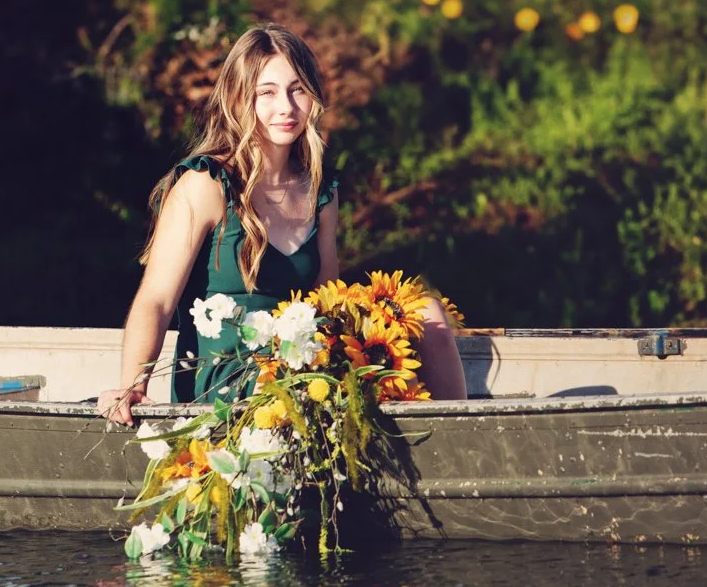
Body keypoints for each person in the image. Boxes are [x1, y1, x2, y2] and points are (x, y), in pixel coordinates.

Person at [95, 24, 468, 424]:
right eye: (267, 93)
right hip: (232, 376)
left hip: (302, 360)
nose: (286, 107)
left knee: (428, 312)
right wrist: (133, 384)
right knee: (296, 381)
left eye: (297, 90)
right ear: (239, 98)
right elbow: (156, 300)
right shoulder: (204, 185)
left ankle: (461, 451)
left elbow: (327, 302)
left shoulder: (320, 189)